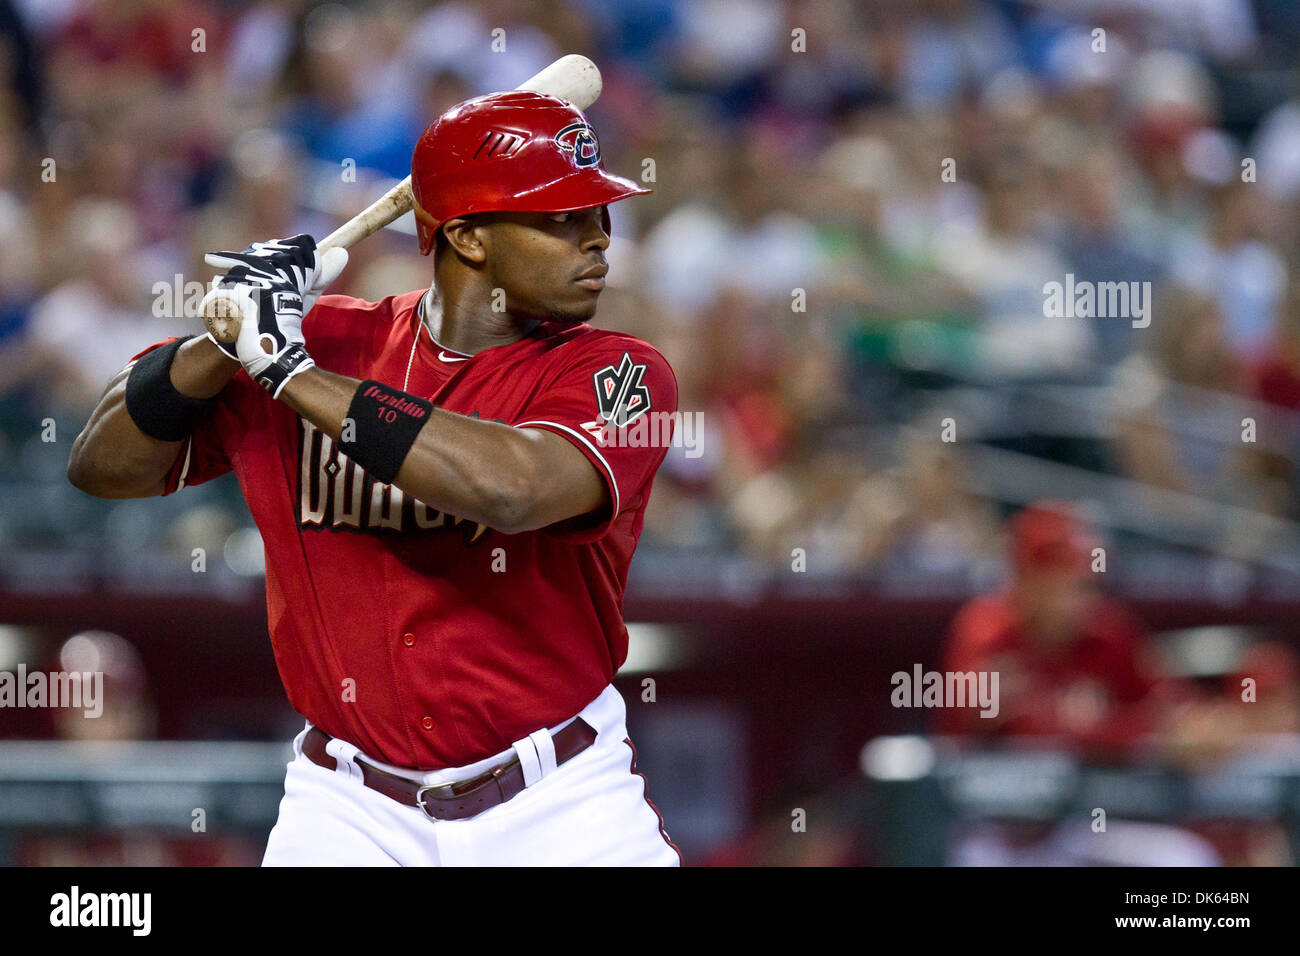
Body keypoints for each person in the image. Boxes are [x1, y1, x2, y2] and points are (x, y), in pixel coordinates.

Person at [67, 90, 682, 866]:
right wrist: (217, 342)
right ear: (466, 237)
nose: (598, 242)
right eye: (563, 220)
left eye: (599, 216)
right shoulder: (324, 338)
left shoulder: (619, 371)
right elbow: (100, 464)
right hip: (347, 807)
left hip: (556, 798)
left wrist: (284, 368)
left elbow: (514, 487)